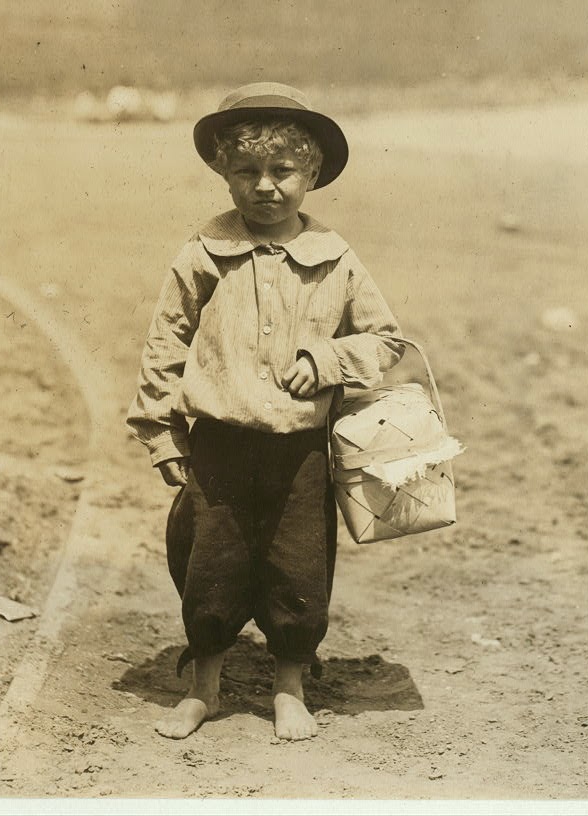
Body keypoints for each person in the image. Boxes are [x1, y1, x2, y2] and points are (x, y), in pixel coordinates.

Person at [126, 82, 403, 741]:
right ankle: (203, 688)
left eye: (282, 171)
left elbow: (385, 340)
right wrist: (162, 436)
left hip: (300, 451)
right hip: (217, 444)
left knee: (298, 570)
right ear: (224, 175)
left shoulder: (334, 259)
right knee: (209, 565)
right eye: (246, 171)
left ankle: (288, 689)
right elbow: (164, 343)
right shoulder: (201, 254)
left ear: (309, 175)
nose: (265, 186)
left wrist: (327, 362)